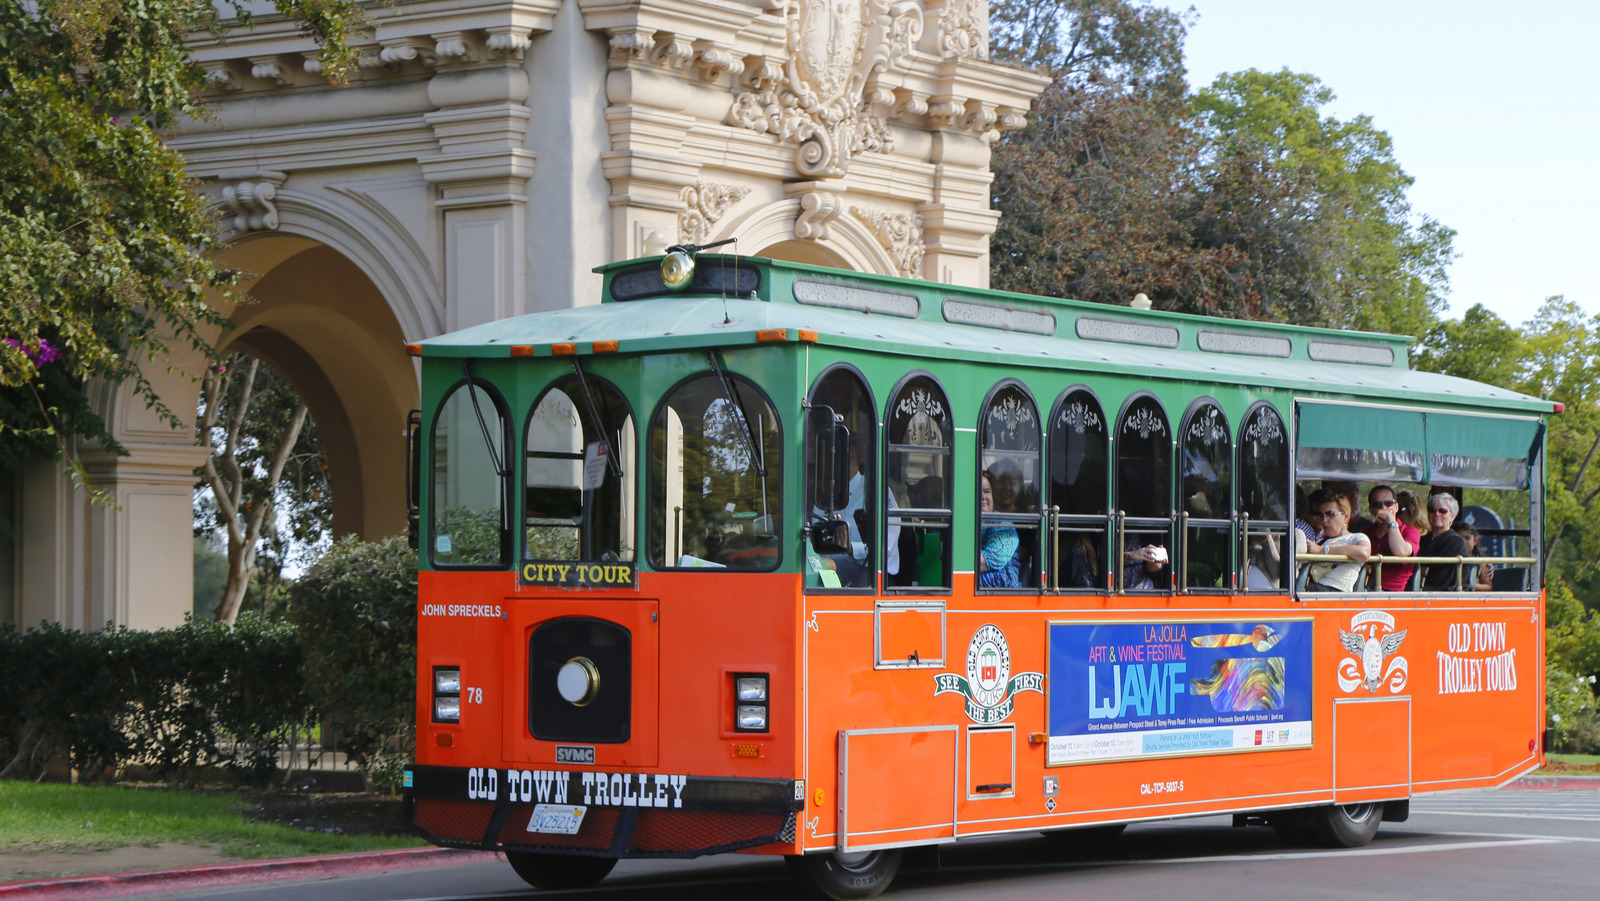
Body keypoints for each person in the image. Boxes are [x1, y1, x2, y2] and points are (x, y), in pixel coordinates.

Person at [1303, 492, 1370, 592]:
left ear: (1346, 516)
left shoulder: (1355, 537)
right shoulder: (1321, 541)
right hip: (1313, 585)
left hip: (1335, 590)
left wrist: (1322, 550)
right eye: (1322, 516)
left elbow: (1364, 553)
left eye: (1330, 514)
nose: (1324, 521)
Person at [1362, 484, 1418, 591]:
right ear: (1371, 509)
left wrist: (1391, 521)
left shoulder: (1410, 532)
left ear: (1396, 507)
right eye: (1377, 505)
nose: (1384, 508)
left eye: (1388, 504)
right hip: (1365, 590)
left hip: (1395, 595)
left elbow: (1400, 551)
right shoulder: (1365, 532)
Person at [1419, 492, 1470, 591]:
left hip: (1449, 595)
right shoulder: (1423, 540)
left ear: (1452, 516)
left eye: (1442, 510)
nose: (1436, 514)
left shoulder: (1456, 542)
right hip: (1422, 594)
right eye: (1432, 510)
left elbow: (1429, 569)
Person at [977, 474, 1021, 588]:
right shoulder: (964, 522)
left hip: (1002, 596)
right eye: (976, 490)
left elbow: (988, 561)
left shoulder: (1003, 524)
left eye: (987, 491)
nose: (983, 496)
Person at [1453, 521, 1495, 592]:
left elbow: (1488, 586)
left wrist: (1471, 585)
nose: (1463, 542)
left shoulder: (1481, 562)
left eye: (1467, 538)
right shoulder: (1450, 559)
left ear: (1475, 541)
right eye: (1459, 538)